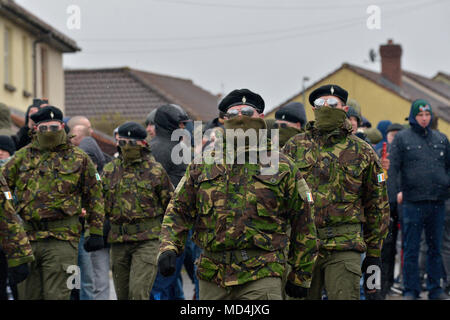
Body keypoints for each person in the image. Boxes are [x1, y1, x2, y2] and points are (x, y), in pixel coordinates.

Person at [158, 88, 319, 300]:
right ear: (223, 120)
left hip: (262, 271)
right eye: (233, 114)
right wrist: (169, 247)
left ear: (261, 117)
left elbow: (304, 221)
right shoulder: (203, 164)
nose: (240, 118)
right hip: (212, 274)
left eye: (247, 112)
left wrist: (301, 275)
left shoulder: (282, 166)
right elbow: (178, 210)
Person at [282, 84, 390, 300]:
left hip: (345, 243)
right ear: (313, 109)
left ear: (345, 109)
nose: (326, 107)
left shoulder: (362, 151)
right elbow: (279, 197)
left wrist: (374, 254)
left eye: (332, 104)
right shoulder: (295, 147)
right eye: (320, 104)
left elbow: (378, 204)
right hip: (303, 246)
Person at [1, 106, 105, 300]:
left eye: (54, 127)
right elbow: (2, 188)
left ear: (63, 127)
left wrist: (96, 230)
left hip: (62, 238)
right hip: (28, 239)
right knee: (28, 295)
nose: (49, 132)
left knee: (57, 295)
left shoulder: (79, 158)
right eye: (44, 128)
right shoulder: (21, 158)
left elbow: (95, 194)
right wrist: (13, 241)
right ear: (35, 130)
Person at [102, 122, 173, 300]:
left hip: (147, 241)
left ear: (143, 144)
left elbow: (171, 208)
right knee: (123, 295)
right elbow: (98, 204)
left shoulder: (155, 171)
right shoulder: (110, 170)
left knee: (138, 293)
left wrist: (169, 244)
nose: (127, 147)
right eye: (123, 142)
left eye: (132, 143)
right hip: (118, 241)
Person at [389, 99, 450, 300]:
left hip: (437, 202)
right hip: (412, 202)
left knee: (435, 248)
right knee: (411, 248)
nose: (424, 119)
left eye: (427, 115)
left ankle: (435, 287)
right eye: (420, 115)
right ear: (413, 116)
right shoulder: (402, 139)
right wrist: (396, 192)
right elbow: (393, 168)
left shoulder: (441, 139)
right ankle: (410, 289)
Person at [149, 104, 191, 300]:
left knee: (169, 281)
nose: (184, 128)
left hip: (155, 225)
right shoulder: (177, 150)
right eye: (181, 124)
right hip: (174, 225)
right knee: (164, 283)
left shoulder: (148, 149)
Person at [377, 123, 404, 299]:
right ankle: (381, 286)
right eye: (392, 135)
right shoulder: (381, 155)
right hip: (384, 206)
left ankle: (392, 283)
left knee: (397, 248)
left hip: (401, 206)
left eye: (397, 136)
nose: (394, 139)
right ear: (387, 137)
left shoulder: (406, 157)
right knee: (384, 249)